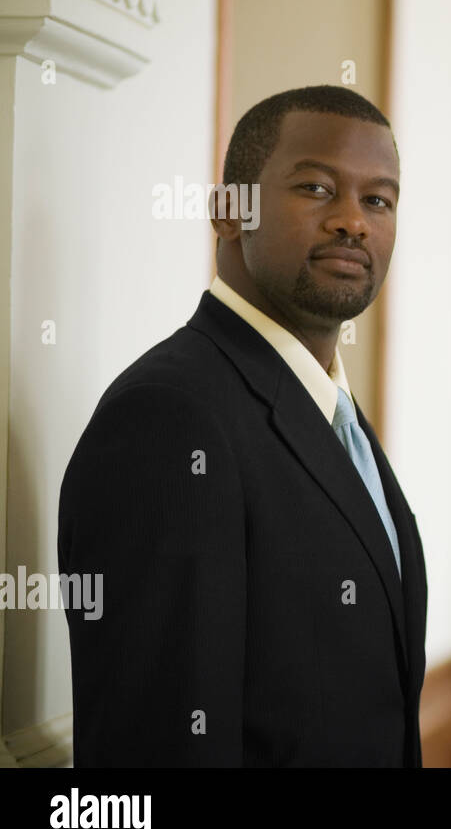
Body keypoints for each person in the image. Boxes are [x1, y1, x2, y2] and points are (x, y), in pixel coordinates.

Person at [58, 86, 426, 766]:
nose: (353, 221)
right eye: (317, 187)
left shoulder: (333, 415)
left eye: (378, 199)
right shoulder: (169, 418)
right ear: (230, 212)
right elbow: (156, 746)